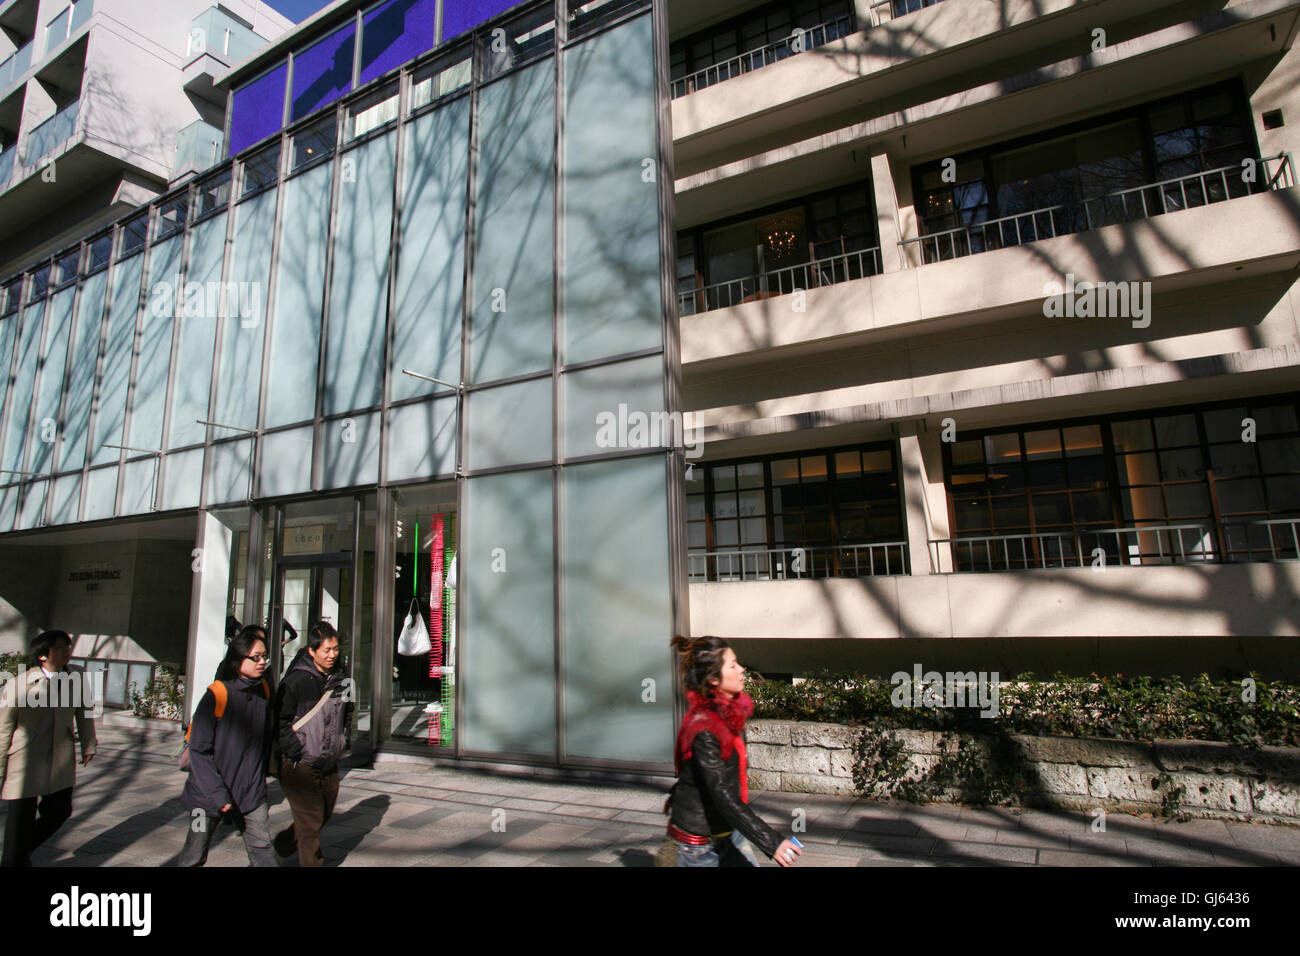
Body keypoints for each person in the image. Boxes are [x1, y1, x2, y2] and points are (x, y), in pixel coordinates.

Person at [663, 635, 803, 867]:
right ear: (713, 679)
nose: (741, 670)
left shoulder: (730, 714)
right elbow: (721, 793)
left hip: (728, 831)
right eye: (733, 665)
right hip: (698, 848)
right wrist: (772, 842)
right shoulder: (704, 728)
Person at [176, 626, 277, 867]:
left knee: (263, 848)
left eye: (265, 656)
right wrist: (217, 795)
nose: (262, 662)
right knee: (194, 852)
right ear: (237, 658)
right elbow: (199, 750)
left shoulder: (263, 689)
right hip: (206, 796)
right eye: (256, 657)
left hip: (250, 792)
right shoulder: (217, 694)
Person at [0, 630, 96, 867]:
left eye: (68, 646)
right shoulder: (18, 685)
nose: (68, 651)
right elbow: (3, 729)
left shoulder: (77, 677)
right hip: (24, 761)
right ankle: (14, 860)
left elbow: (84, 712)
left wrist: (89, 743)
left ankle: (16, 856)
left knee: (59, 812)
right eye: (61, 647)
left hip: (60, 759)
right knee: (19, 825)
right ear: (43, 655)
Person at [274, 621, 351, 867]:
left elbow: (348, 711)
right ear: (312, 650)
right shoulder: (296, 681)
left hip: (328, 759)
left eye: (335, 649)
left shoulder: (343, 679)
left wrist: (344, 739)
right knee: (311, 820)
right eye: (326, 650)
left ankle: (285, 842)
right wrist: (295, 748)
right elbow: (279, 720)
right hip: (300, 763)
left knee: (323, 813)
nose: (332, 655)